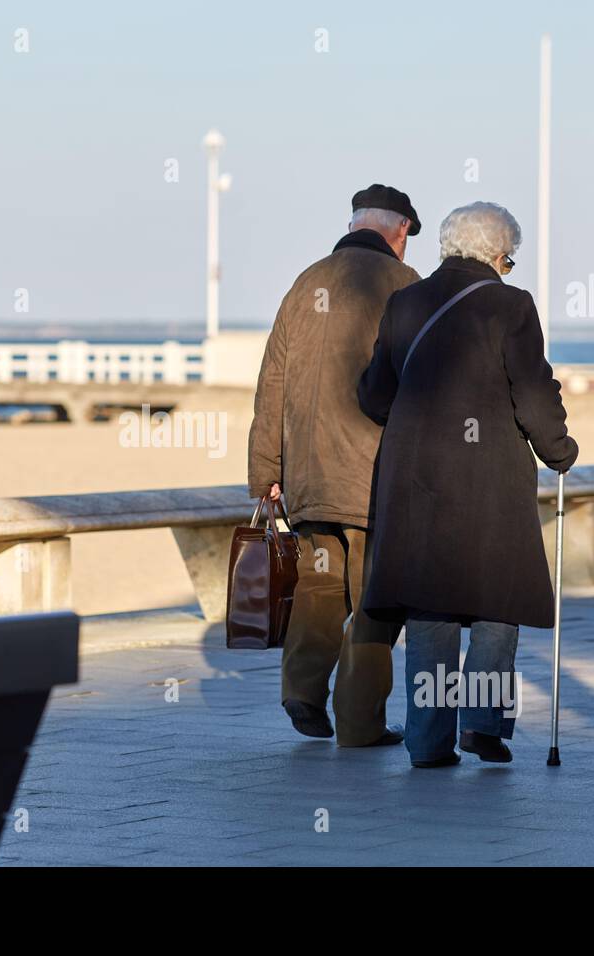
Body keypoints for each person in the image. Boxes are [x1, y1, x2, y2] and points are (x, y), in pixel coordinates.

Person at [357, 201, 578, 768]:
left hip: (417, 478)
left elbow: (374, 394)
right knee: (494, 599)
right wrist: (559, 450)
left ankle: (427, 741)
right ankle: (482, 724)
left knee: (429, 605)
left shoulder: (406, 302)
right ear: (499, 252)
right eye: (512, 255)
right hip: (490, 481)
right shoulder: (511, 306)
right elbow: (533, 389)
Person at [248, 184, 422, 746]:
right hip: (374, 482)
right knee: (376, 600)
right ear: (398, 232)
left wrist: (265, 471)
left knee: (319, 588)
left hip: (307, 480)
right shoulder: (404, 286)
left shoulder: (305, 283)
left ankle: (301, 691)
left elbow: (271, 380)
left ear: (353, 226)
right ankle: (359, 722)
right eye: (406, 238)